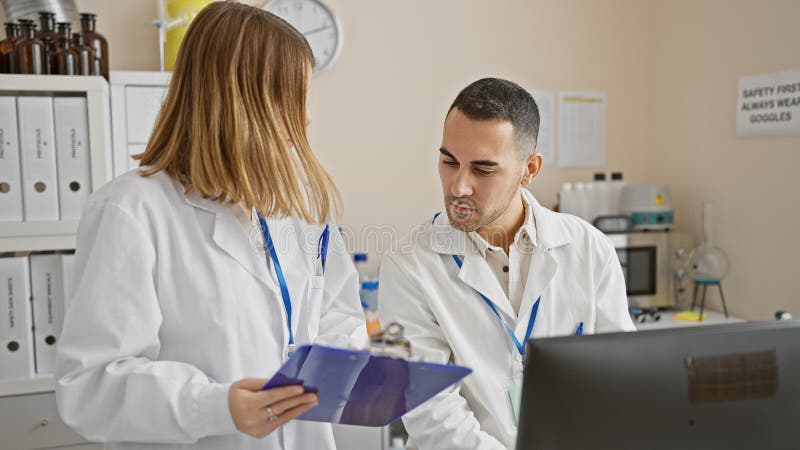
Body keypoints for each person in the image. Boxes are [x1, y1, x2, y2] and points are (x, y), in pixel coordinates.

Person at [55, 3, 367, 449]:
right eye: (293, 99)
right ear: (242, 102)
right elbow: (91, 383)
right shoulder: (131, 211)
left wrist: (339, 359)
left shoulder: (300, 204)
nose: (307, 117)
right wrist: (214, 406)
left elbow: (340, 311)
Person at [378, 78, 635, 449]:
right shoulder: (410, 265)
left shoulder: (588, 248)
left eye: (483, 170)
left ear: (529, 169)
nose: (458, 187)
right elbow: (429, 409)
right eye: (449, 161)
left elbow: (620, 377)